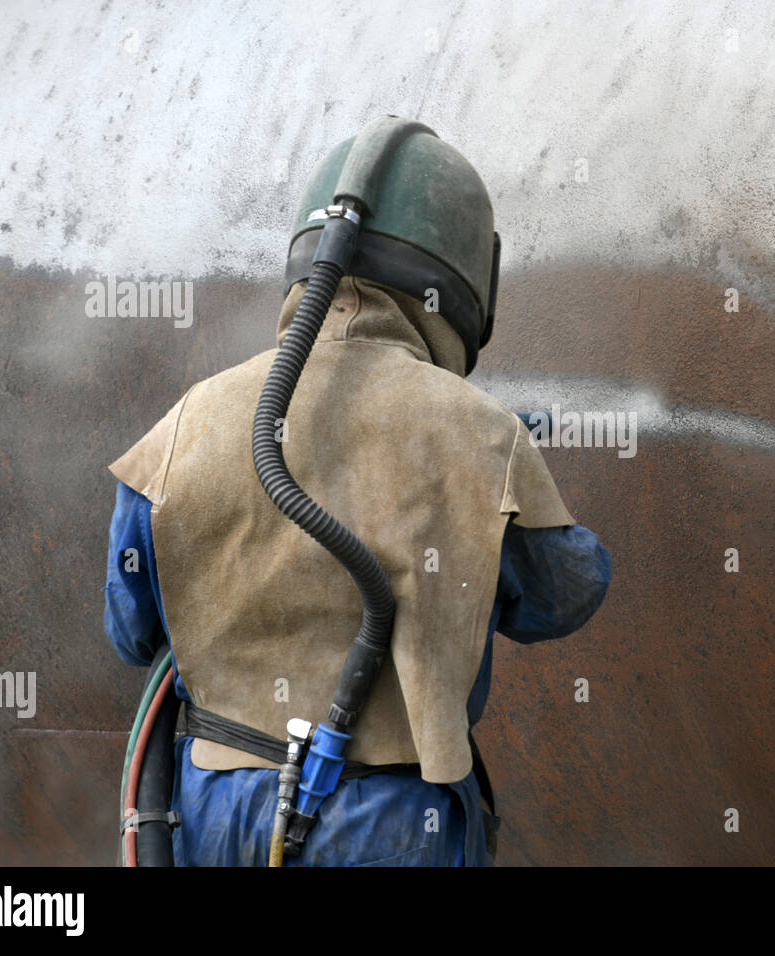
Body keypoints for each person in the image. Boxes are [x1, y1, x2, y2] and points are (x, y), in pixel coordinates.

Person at [102, 116, 610, 866]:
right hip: (394, 821)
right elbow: (564, 594)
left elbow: (132, 630)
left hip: (213, 810)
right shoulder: (479, 435)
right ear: (468, 281)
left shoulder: (188, 425)